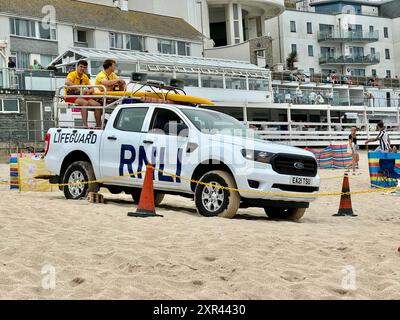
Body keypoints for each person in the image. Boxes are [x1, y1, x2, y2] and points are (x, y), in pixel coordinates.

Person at [64, 60, 102, 129]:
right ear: (77, 67)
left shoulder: (85, 77)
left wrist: (88, 91)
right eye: (81, 66)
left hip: (81, 95)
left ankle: (99, 126)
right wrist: (80, 89)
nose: (82, 68)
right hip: (70, 95)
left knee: (98, 105)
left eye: (84, 67)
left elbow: (92, 89)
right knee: (85, 103)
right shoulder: (72, 74)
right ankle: (85, 125)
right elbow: (67, 82)